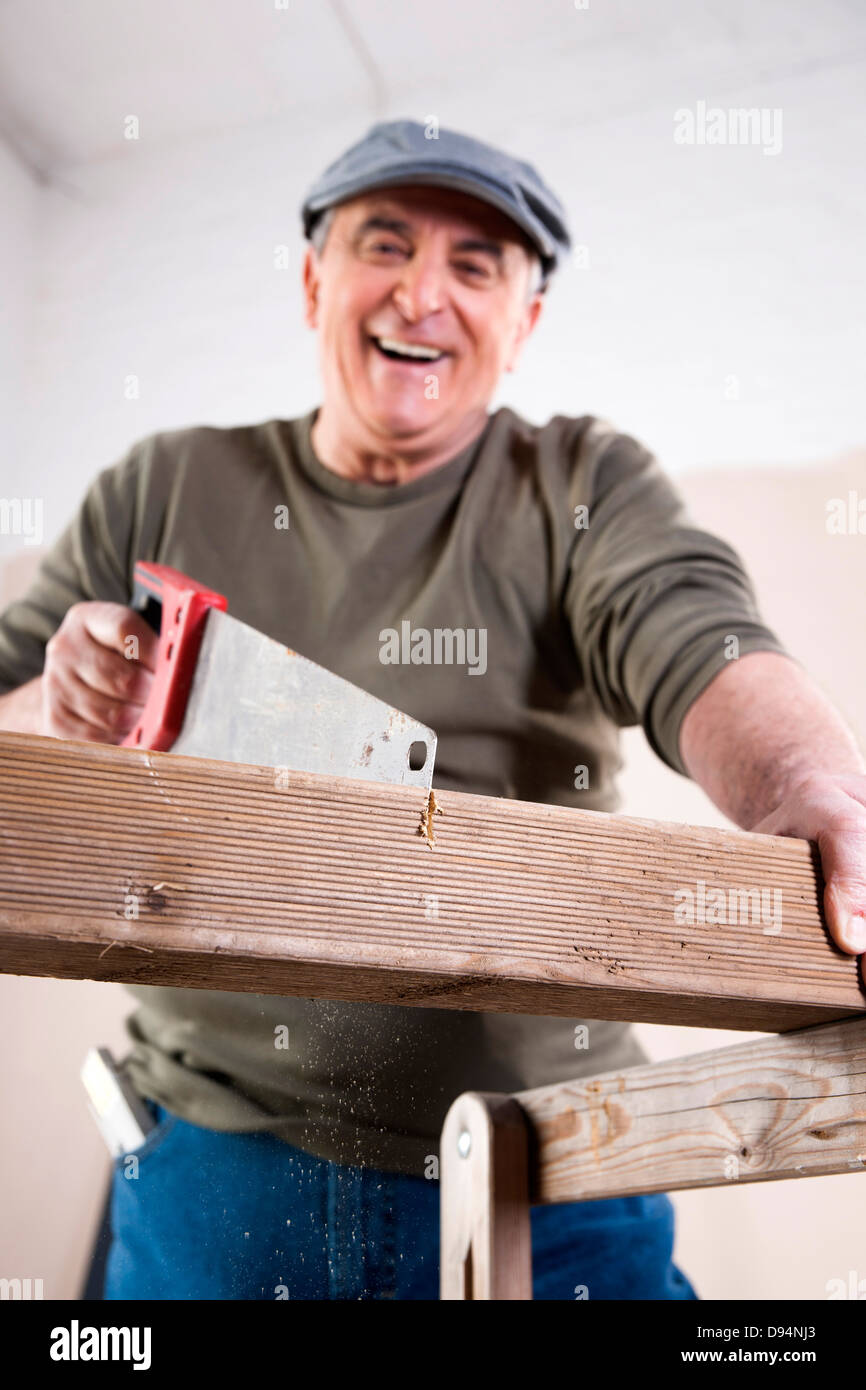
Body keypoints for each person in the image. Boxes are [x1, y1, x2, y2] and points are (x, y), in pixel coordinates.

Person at [0, 120, 863, 1301]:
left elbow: (692, 629)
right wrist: (57, 703)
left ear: (526, 320)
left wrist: (806, 789)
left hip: (546, 1146)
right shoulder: (161, 486)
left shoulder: (581, 483)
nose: (423, 294)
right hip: (222, 1153)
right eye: (386, 244)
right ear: (313, 281)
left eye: (476, 265)